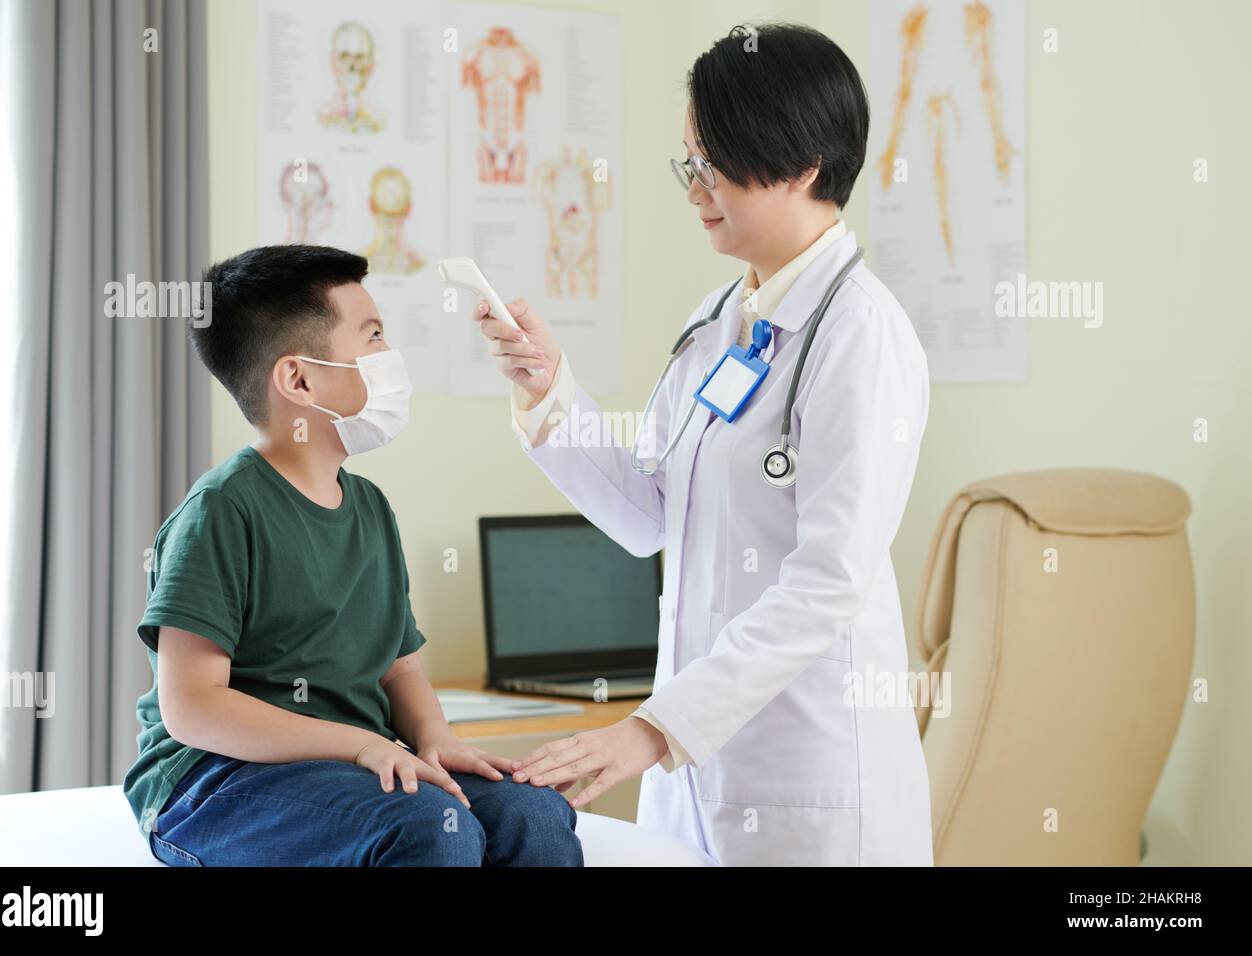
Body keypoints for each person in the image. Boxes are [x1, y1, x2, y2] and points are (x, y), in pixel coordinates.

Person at [470, 22, 932, 866]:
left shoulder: (861, 335)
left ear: (802, 165)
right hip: (694, 779)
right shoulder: (715, 325)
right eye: (691, 161)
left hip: (809, 783)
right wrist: (549, 391)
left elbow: (829, 582)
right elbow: (650, 513)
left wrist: (654, 728)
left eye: (714, 162)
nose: (696, 187)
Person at [124, 244, 582, 866]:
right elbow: (192, 707)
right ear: (300, 379)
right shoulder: (223, 510)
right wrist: (359, 746)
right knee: (434, 829)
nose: (391, 360)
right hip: (215, 781)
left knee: (537, 816)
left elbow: (400, 667)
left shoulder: (368, 507)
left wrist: (433, 739)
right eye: (373, 338)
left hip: (345, 768)